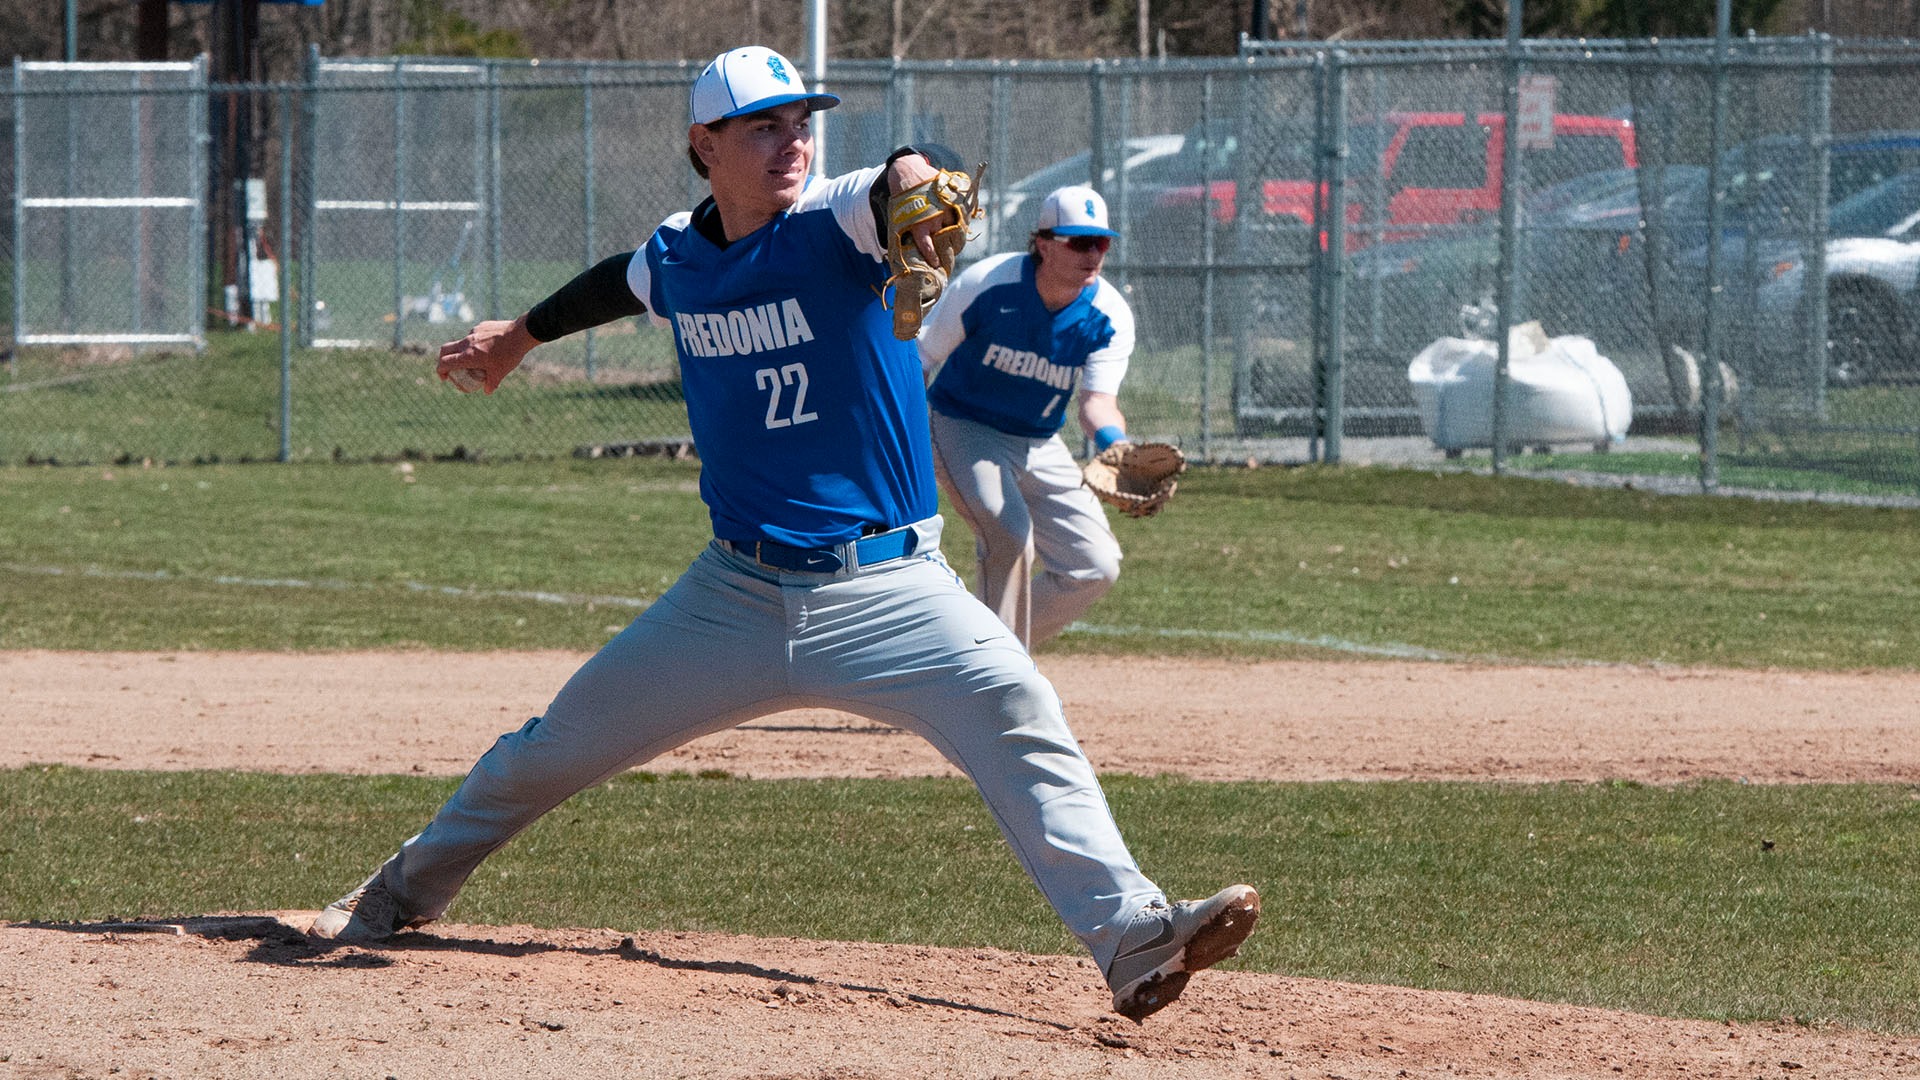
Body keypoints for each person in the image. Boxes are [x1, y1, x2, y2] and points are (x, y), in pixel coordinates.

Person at [306, 45, 1258, 1024]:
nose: (790, 141)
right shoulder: (678, 254)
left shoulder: (835, 223)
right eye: (764, 126)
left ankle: (1136, 940)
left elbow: (901, 170)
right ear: (703, 145)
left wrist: (919, 191)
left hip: (892, 588)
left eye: (800, 122)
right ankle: (400, 890)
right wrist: (517, 338)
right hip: (734, 598)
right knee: (548, 751)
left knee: (1020, 705)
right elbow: (615, 282)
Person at [919, 185, 1139, 649]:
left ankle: (979, 657)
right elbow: (920, 359)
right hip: (963, 426)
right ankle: (995, 680)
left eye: (1101, 242)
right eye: (1080, 242)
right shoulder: (988, 283)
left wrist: (1115, 445)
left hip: (1038, 441)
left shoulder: (1108, 314)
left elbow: (1096, 403)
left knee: (1094, 565)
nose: (1093, 254)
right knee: (1010, 536)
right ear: (1042, 243)